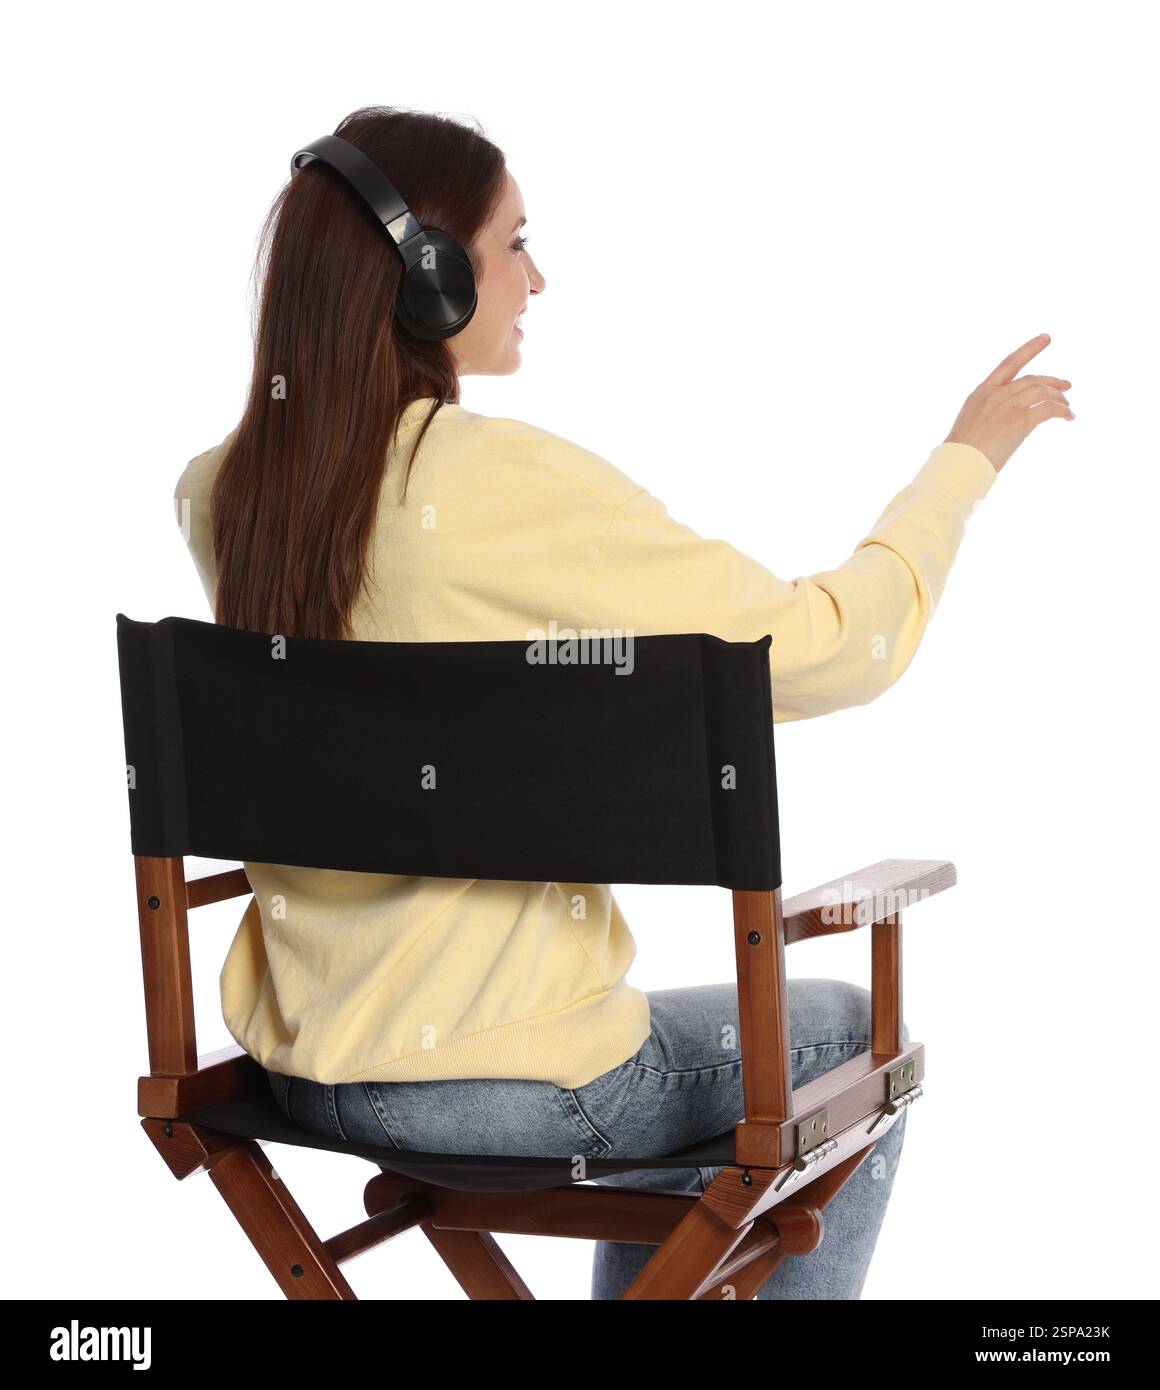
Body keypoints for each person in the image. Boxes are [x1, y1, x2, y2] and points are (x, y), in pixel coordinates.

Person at [174, 105, 1073, 1300]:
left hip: (308, 1070)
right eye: (515, 245)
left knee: (658, 1057)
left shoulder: (223, 495)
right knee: (854, 1034)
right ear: (431, 278)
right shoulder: (505, 484)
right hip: (522, 1085)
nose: (537, 278)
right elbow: (820, 649)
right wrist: (960, 465)